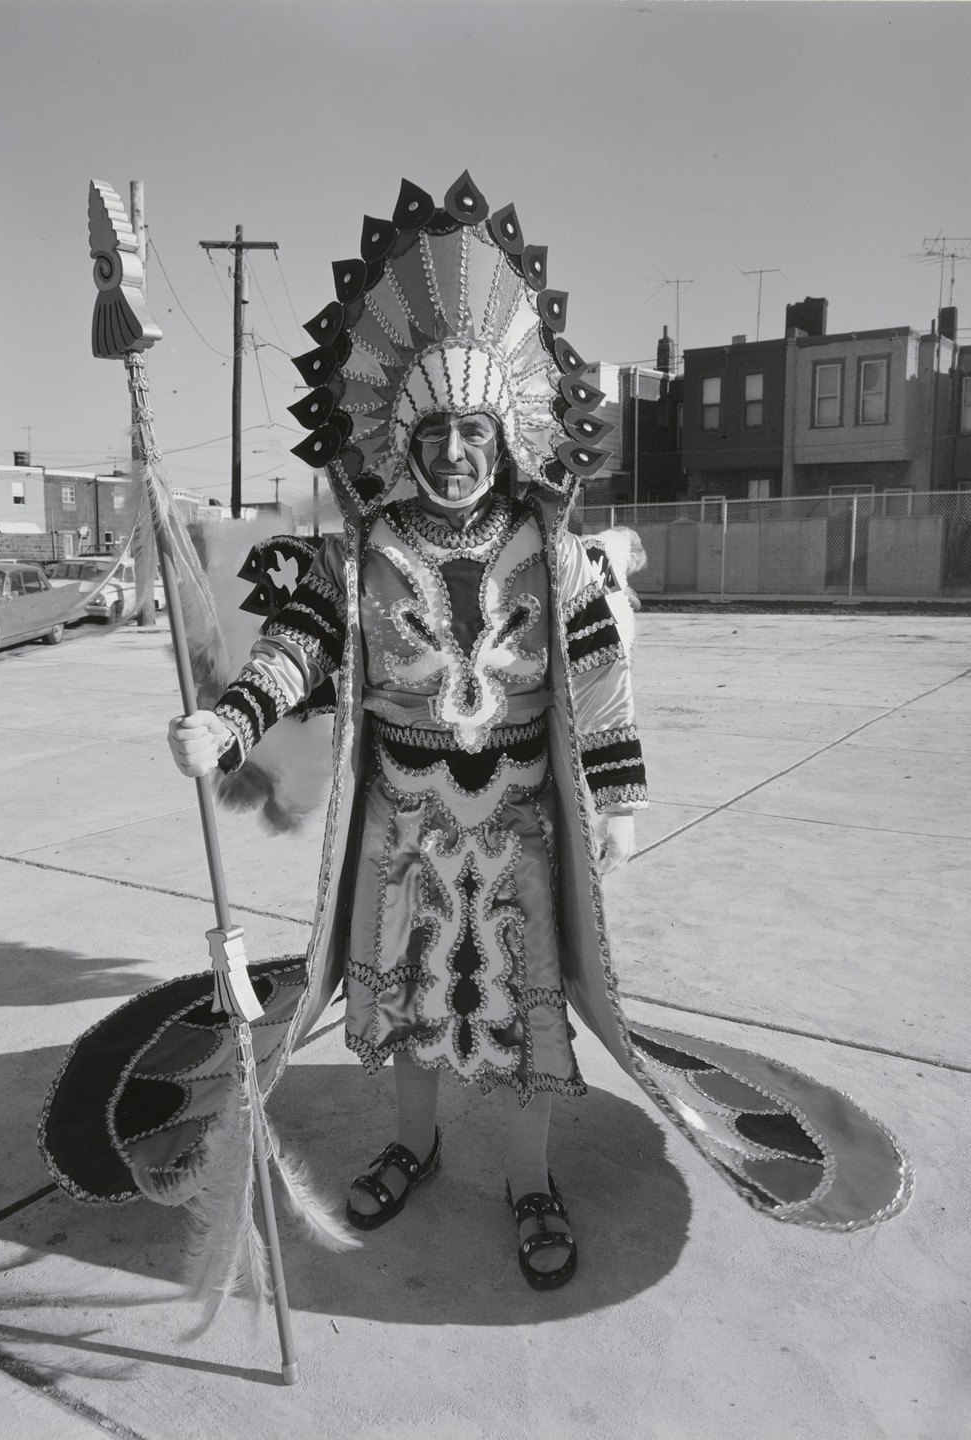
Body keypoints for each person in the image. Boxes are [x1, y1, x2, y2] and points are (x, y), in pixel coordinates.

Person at [167, 174, 910, 1291]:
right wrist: (229, 724)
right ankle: (410, 1146)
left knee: (517, 1015)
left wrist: (613, 801)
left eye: (474, 430)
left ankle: (529, 1182)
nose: (455, 453)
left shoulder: (552, 552)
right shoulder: (357, 553)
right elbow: (299, 647)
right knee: (410, 1004)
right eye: (433, 432)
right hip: (403, 823)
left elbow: (599, 681)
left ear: (504, 432)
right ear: (399, 439)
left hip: (515, 823)